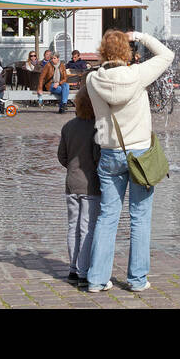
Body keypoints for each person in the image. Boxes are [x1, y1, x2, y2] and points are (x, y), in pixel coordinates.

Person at [84, 29, 174, 294]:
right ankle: (136, 280)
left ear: (102, 50)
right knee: (140, 217)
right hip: (140, 154)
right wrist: (141, 36)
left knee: (107, 216)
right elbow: (167, 54)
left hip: (109, 152)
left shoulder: (92, 79)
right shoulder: (138, 73)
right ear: (128, 51)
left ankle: (97, 280)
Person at [57, 90, 102, 285]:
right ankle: (84, 271)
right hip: (90, 183)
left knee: (72, 227)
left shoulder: (68, 127)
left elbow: (62, 156)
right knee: (87, 227)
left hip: (71, 182)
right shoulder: (97, 128)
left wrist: (72, 168)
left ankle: (73, 268)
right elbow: (98, 157)